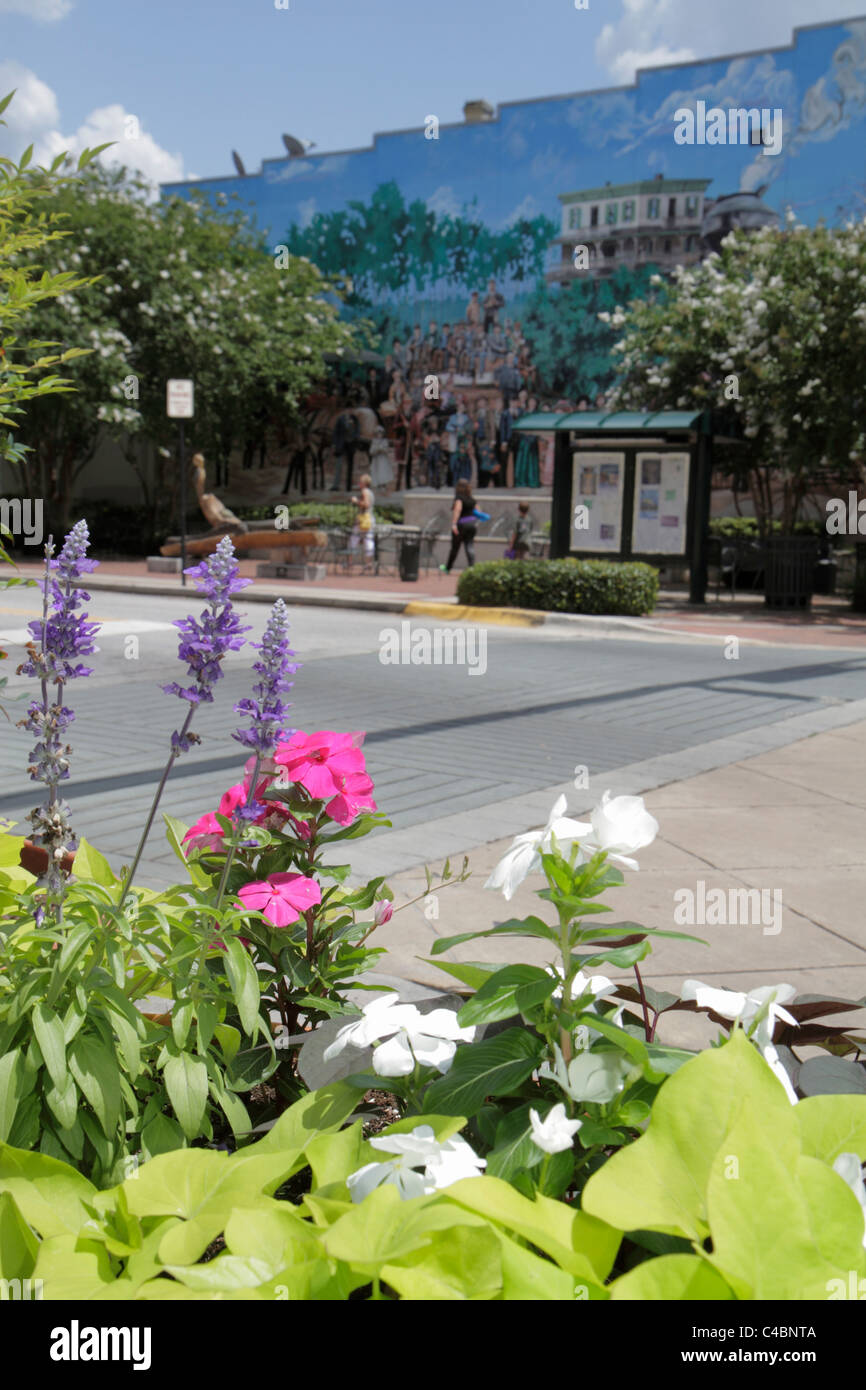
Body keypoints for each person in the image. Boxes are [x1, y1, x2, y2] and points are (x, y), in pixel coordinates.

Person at [441, 478, 478, 573]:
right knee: (469, 546)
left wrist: (454, 524)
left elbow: (458, 510)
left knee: (455, 547)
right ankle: (472, 567)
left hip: (461, 525)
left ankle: (448, 568)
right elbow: (478, 511)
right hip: (472, 525)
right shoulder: (472, 499)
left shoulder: (459, 498)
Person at [350, 473, 376, 564]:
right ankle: (369, 563)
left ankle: (350, 562)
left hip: (363, 519)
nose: (359, 483)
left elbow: (366, 504)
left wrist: (356, 501)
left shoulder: (364, 491)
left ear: (364, 483)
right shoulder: (370, 492)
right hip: (369, 518)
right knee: (368, 541)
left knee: (354, 539)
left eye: (360, 482)